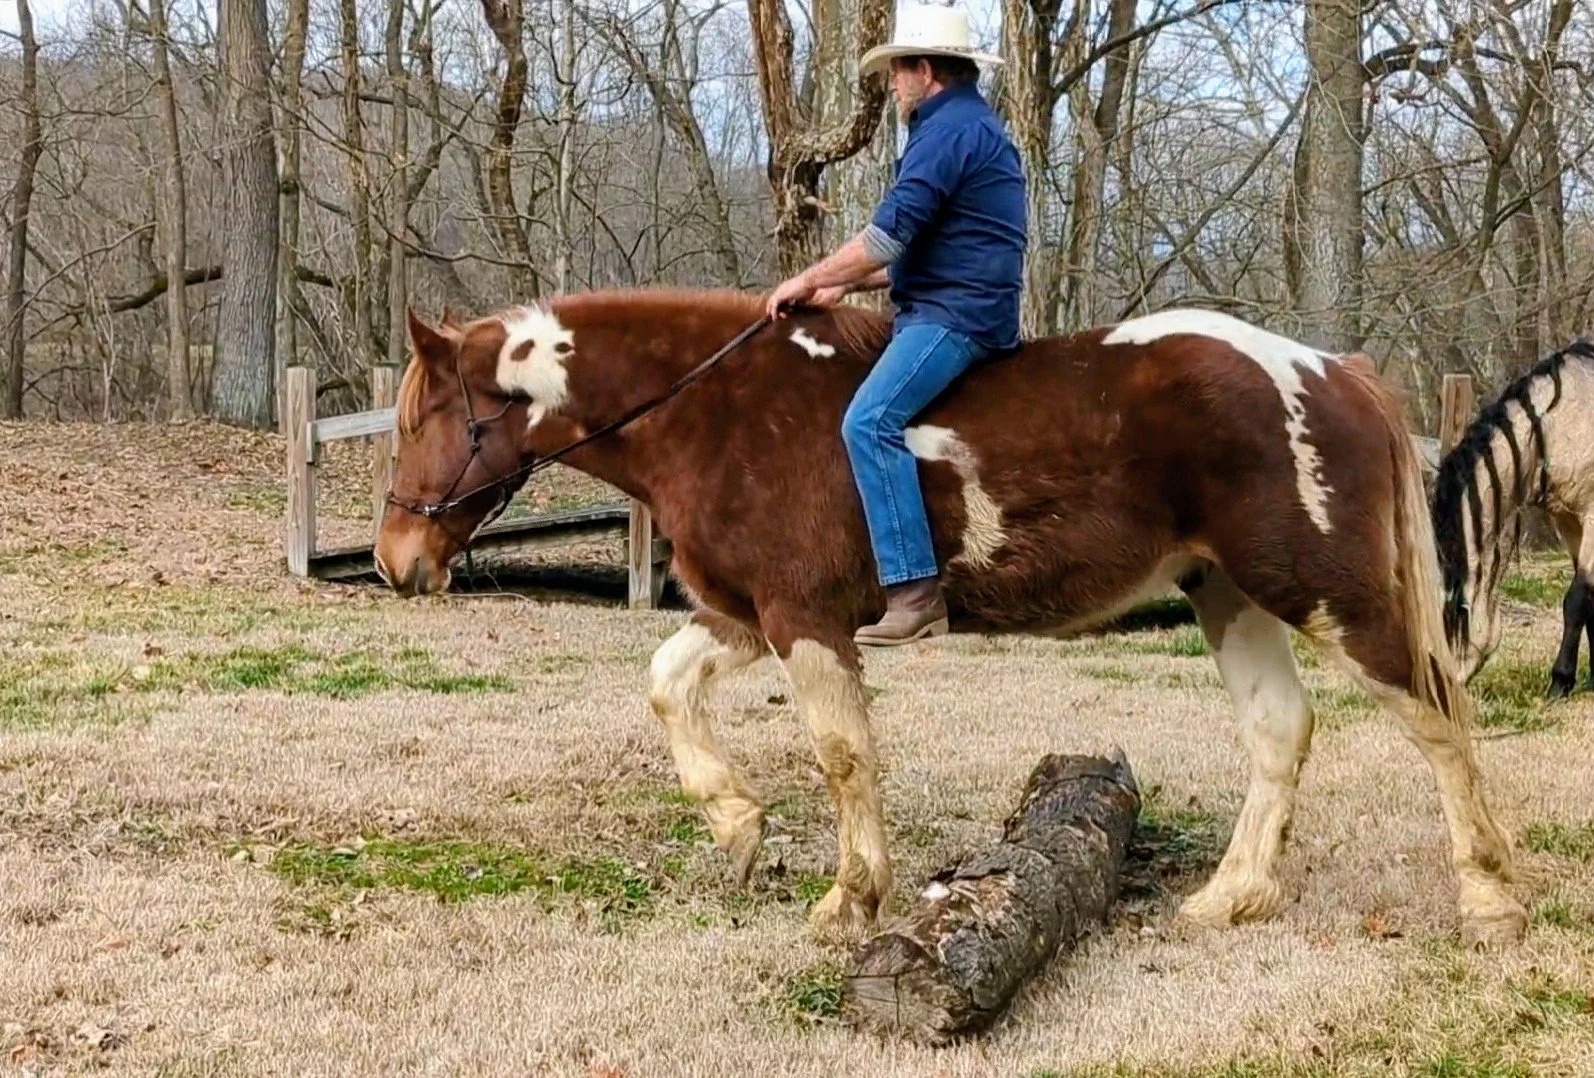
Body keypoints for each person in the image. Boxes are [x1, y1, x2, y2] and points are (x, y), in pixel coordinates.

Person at [766, 3, 1027, 646]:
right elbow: (918, 256)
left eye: (897, 71)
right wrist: (838, 286)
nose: (892, 85)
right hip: (950, 300)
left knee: (867, 420)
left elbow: (886, 239)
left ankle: (913, 593)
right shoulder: (968, 126)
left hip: (955, 317)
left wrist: (808, 277)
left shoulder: (946, 134)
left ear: (925, 70)